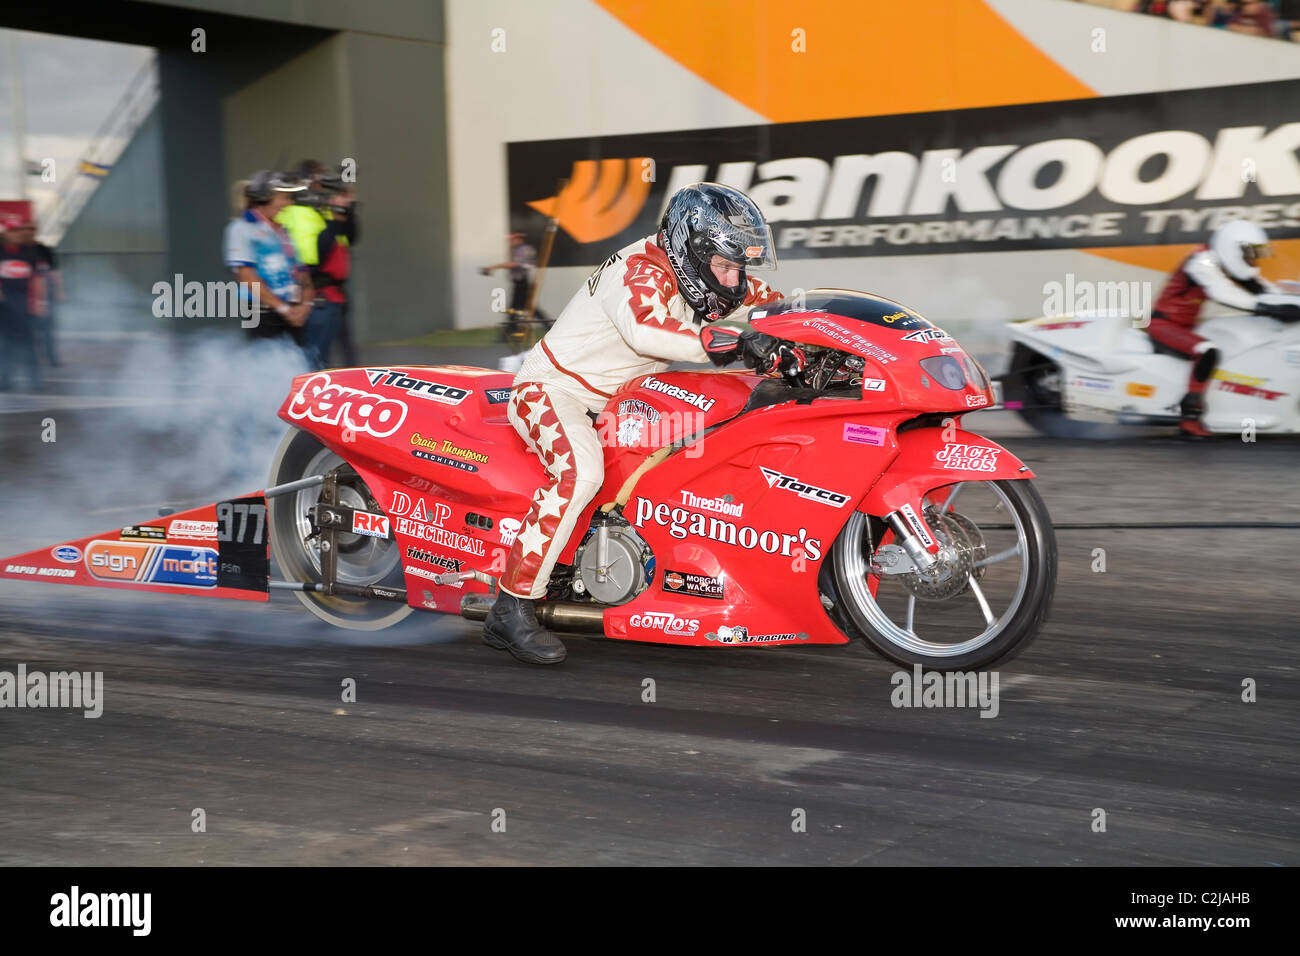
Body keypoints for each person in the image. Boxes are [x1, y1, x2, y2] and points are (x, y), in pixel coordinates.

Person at [481, 183, 796, 664]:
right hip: (555, 391)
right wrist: (732, 343)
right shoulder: (637, 269)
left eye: (740, 268)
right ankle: (512, 603)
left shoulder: (709, 274)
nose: (735, 280)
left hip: (627, 401)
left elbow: (772, 311)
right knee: (579, 473)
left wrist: (813, 344)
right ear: (691, 250)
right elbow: (646, 329)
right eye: (726, 266)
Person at [1148, 219, 1285, 437]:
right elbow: (1221, 291)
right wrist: (1265, 306)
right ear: (1232, 248)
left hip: (1186, 326)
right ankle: (1190, 416)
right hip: (1163, 324)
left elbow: (1261, 287)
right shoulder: (1201, 261)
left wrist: (1286, 301)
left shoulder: (1221, 262)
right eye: (1249, 254)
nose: (1252, 260)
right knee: (1208, 351)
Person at [277, 159, 359, 369]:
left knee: (344, 358)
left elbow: (350, 237)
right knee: (313, 360)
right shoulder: (296, 214)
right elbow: (314, 257)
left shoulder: (321, 213)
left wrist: (347, 209)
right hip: (315, 293)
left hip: (333, 294)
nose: (322, 186)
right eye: (319, 180)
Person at [224, 171, 313, 347]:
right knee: (265, 369)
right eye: (283, 198)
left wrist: (305, 305)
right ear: (264, 197)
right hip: (261, 315)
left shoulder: (283, 230)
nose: (288, 204)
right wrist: (284, 309)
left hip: (291, 314)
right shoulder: (241, 228)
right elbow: (246, 277)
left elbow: (302, 273)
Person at [0, 214, 46, 392]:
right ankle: (5, 379)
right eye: (12, 230)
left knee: (28, 343)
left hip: (23, 302)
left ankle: (34, 380)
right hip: (3, 305)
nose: (16, 234)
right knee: (5, 343)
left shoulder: (30, 252)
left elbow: (38, 278)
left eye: (18, 230)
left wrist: (40, 303)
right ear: (4, 232)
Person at [481, 231, 549, 337]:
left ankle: (507, 333)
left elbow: (514, 264)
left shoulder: (524, 249)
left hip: (522, 283)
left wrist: (493, 267)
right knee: (523, 308)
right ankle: (510, 331)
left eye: (513, 239)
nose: (511, 241)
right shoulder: (515, 250)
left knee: (521, 308)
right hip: (518, 283)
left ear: (520, 239)